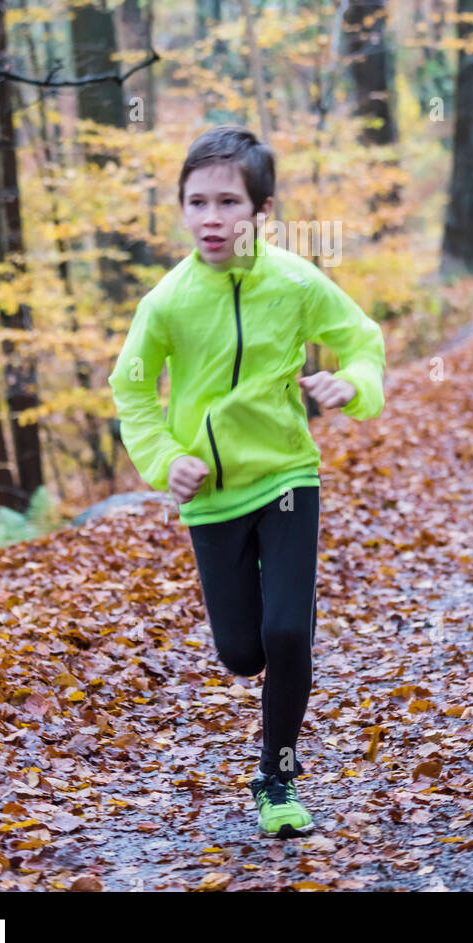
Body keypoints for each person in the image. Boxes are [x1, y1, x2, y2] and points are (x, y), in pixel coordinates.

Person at [108, 125, 386, 838]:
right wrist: (166, 459)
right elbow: (131, 390)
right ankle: (261, 666)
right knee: (242, 652)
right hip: (209, 497)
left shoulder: (293, 281)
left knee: (288, 630)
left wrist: (349, 385)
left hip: (288, 475)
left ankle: (277, 775)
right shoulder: (167, 301)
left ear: (261, 211)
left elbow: (362, 340)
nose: (210, 218)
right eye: (195, 202)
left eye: (227, 202)